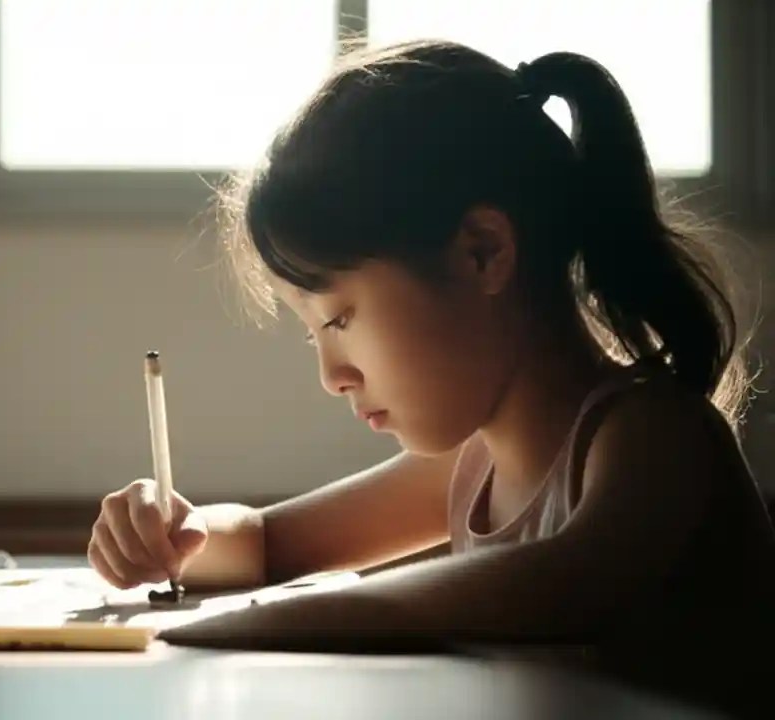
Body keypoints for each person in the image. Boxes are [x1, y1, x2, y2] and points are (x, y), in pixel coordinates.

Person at [87, 39, 775, 653]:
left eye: (339, 320)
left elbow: (563, 585)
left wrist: (283, 618)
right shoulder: (474, 463)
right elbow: (268, 544)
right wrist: (175, 532)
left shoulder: (656, 434)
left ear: (483, 253)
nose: (331, 376)